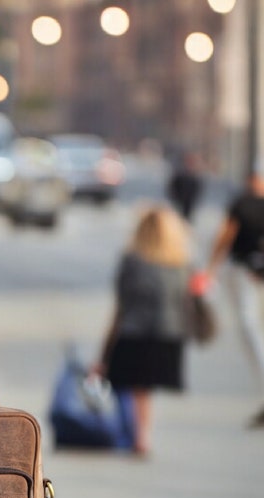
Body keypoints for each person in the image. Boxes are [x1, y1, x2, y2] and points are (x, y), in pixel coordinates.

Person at [94, 206, 191, 456]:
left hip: (135, 332)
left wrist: (104, 353)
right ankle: (139, 433)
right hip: (169, 334)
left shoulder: (132, 260)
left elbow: (122, 305)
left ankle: (138, 436)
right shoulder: (180, 263)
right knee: (143, 389)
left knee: (134, 386)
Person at [203, 166, 264, 427]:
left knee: (249, 324)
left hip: (243, 272)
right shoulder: (243, 203)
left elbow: (225, 235)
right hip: (253, 271)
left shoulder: (240, 203)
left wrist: (211, 269)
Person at [167, 151, 203, 222]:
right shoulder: (179, 175)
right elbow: (173, 187)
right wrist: (176, 197)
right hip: (179, 202)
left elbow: (197, 189)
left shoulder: (195, 176)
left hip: (189, 203)